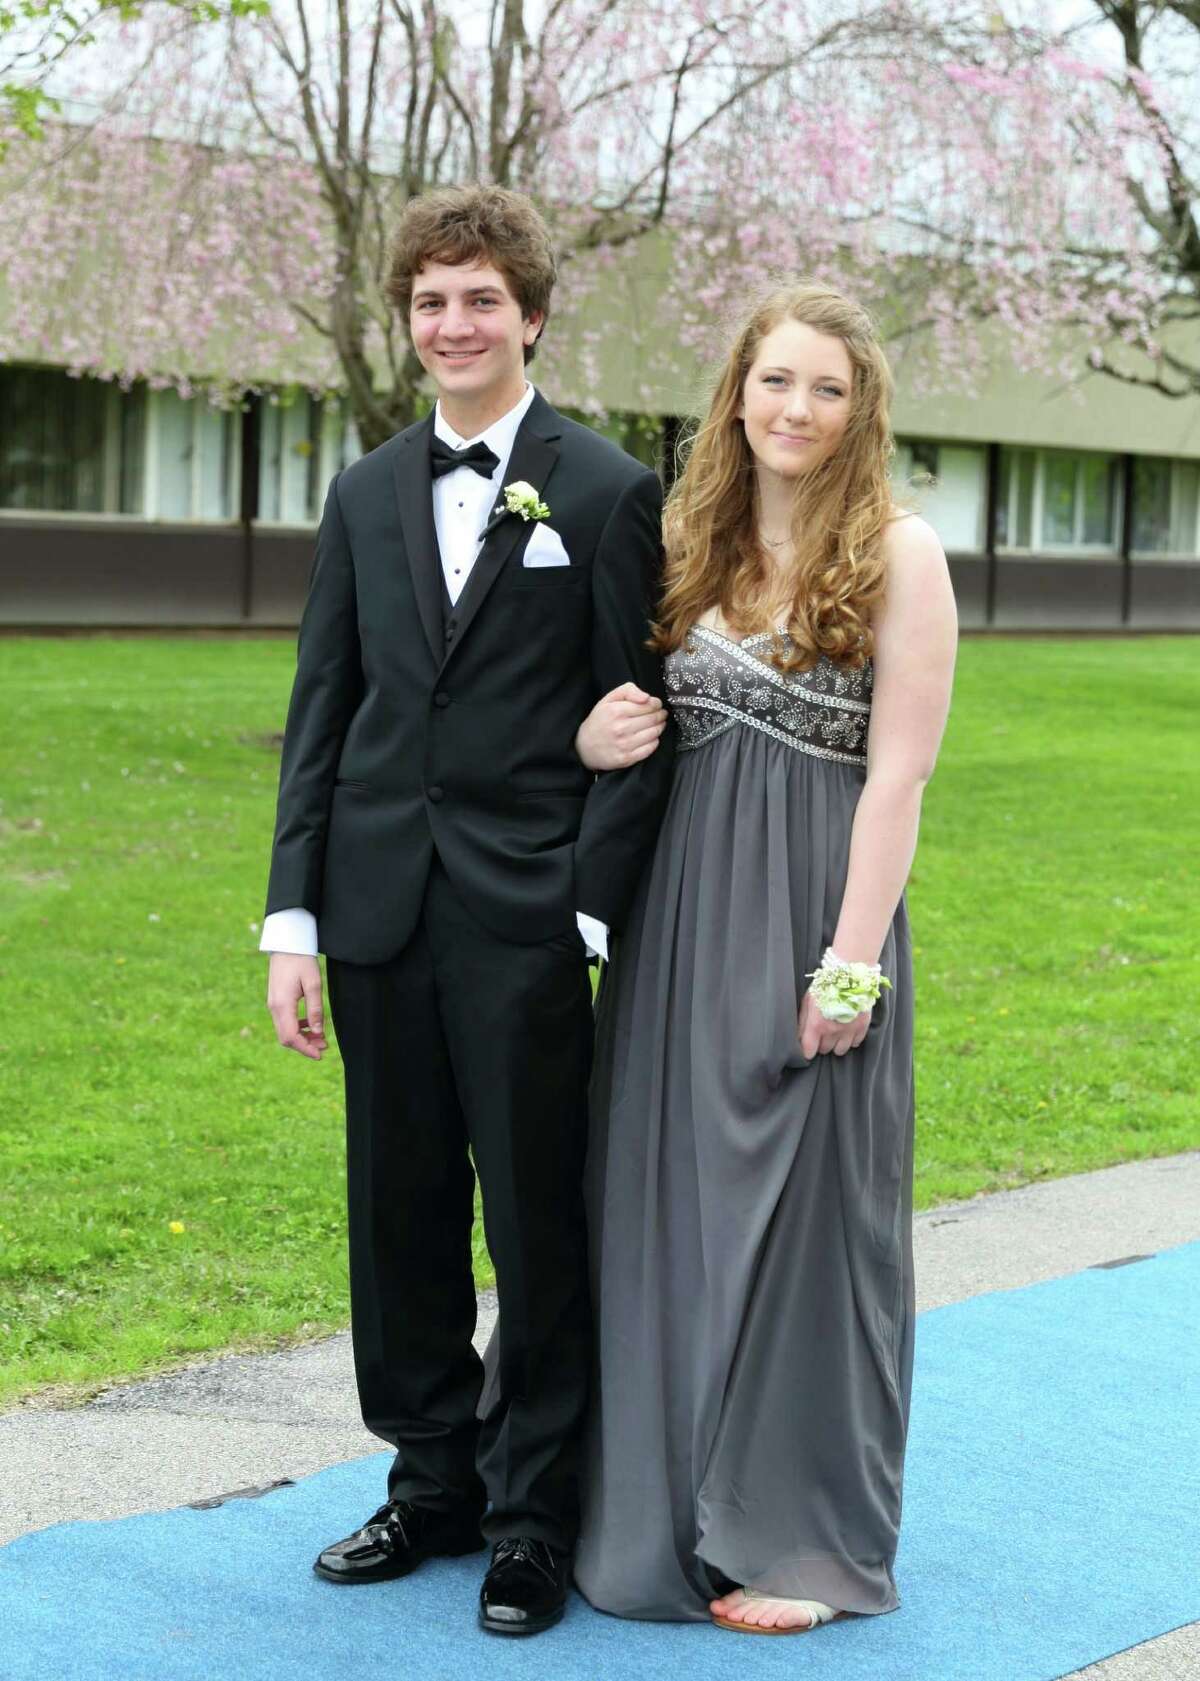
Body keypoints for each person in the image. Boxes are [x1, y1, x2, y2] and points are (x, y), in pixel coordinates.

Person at [259, 184, 674, 1637]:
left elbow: (643, 716)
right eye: (431, 301)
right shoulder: (366, 492)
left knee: (537, 1224)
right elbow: (326, 711)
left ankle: (530, 1515)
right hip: (375, 909)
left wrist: (592, 914)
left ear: (532, 313)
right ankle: (429, 1479)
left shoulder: (611, 491)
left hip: (527, 919)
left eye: (481, 298)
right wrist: (291, 922)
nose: (454, 323)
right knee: (401, 1210)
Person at [571, 281, 957, 1632]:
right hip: (682, 924)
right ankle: (662, 1507)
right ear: (738, 392)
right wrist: (590, 740)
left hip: (813, 920)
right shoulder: (692, 537)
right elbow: (628, 715)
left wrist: (850, 963)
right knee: (667, 1208)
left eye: (828, 388)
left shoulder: (903, 554)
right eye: (777, 380)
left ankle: (807, 1543)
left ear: (861, 412)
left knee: (810, 1228)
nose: (798, 407)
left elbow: (899, 778)